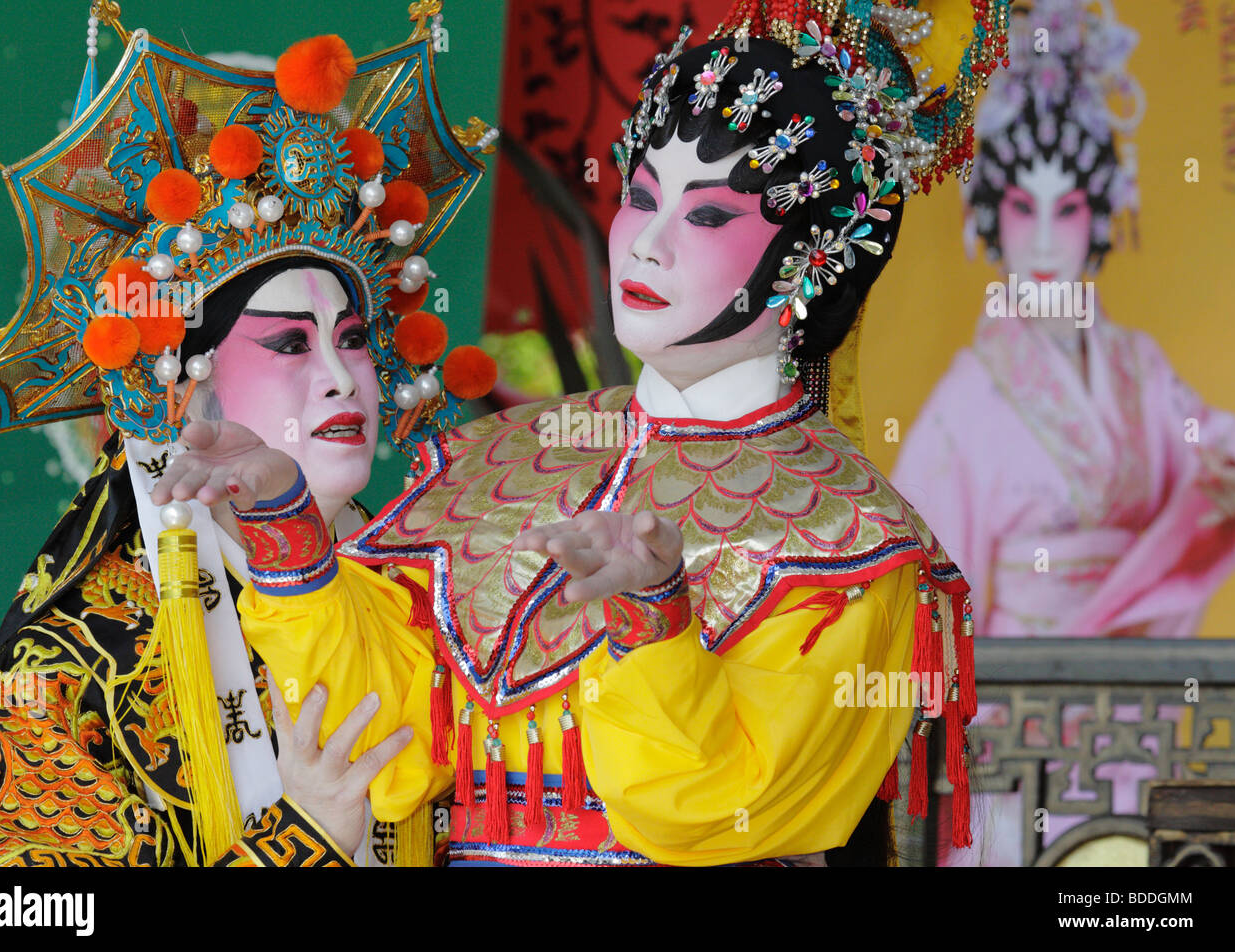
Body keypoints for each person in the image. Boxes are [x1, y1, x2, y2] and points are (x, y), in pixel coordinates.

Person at [183, 1, 1012, 865]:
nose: (646, 244)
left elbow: (701, 809)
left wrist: (655, 620)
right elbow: (380, 750)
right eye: (641, 196)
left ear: (814, 254)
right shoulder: (502, 456)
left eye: (707, 215)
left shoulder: (846, 541)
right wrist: (285, 523)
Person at [0, 12, 502, 865]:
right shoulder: (76, 652)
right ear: (184, 381)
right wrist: (299, 839)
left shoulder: (440, 597)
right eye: (288, 343)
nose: (339, 377)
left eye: (354, 337)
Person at [892, 0, 1235, 638]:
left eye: (1071, 207)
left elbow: (1213, 443)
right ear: (992, 218)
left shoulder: (1140, 368)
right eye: (1026, 208)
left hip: (1139, 690)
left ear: (1100, 216)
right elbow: (925, 595)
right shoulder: (965, 404)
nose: (1048, 240)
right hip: (1022, 702)